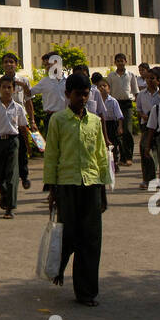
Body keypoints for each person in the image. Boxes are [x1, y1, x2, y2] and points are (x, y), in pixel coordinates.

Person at [44, 73, 112, 306]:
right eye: (78, 94)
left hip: (91, 185)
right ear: (67, 95)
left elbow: (101, 156)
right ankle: (59, 268)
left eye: (86, 94)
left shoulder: (94, 122)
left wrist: (103, 188)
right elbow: (52, 155)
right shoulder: (58, 121)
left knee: (91, 239)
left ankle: (86, 292)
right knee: (69, 235)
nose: (82, 98)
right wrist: (52, 189)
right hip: (67, 185)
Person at [0, 76, 30, 219]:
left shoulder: (18, 108)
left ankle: (10, 208)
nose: (7, 90)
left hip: (13, 142)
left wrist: (27, 146)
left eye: (9, 87)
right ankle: (3, 191)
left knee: (12, 175)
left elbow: (23, 128)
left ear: (14, 90)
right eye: (4, 87)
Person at [0, 52, 35, 190]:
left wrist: (32, 120)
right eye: (6, 62)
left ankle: (24, 176)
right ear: (3, 65)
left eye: (11, 62)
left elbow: (28, 101)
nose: (8, 64)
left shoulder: (23, 81)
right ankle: (4, 182)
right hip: (4, 123)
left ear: (16, 64)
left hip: (19, 121)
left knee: (21, 151)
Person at [107, 53, 140, 166]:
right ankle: (121, 158)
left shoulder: (130, 75)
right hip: (115, 104)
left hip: (127, 105)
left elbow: (135, 92)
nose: (120, 63)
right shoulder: (111, 76)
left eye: (122, 61)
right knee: (117, 132)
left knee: (127, 131)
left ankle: (129, 157)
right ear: (115, 62)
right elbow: (108, 92)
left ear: (126, 62)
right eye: (118, 61)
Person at [94, 74, 125, 183]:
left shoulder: (113, 101)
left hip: (111, 124)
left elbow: (120, 116)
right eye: (100, 86)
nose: (102, 88)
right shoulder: (96, 100)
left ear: (109, 88)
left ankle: (115, 162)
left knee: (113, 144)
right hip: (101, 124)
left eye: (104, 86)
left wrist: (120, 127)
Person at [135, 68, 160, 189]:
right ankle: (148, 179)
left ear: (158, 80)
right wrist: (143, 116)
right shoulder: (141, 94)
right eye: (147, 78)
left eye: (152, 78)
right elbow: (138, 109)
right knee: (145, 149)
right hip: (146, 125)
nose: (149, 81)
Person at [32, 54, 68, 135]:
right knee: (52, 145)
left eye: (48, 64)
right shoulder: (44, 81)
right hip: (51, 118)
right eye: (45, 65)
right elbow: (29, 93)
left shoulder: (69, 80)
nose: (47, 67)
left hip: (67, 117)